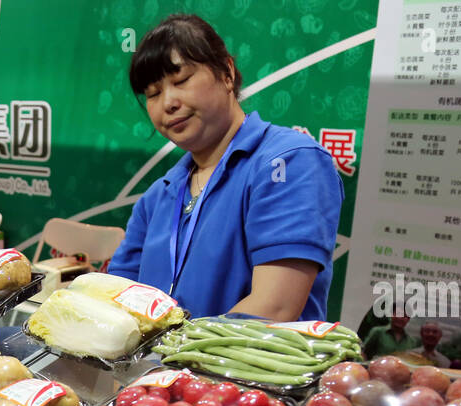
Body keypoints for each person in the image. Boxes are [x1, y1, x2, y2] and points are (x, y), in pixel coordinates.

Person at [107, 15, 342, 322]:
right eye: (153, 94)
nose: (168, 102)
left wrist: (177, 353)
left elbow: (275, 309)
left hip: (249, 369)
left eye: (181, 81)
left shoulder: (288, 163)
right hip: (159, 370)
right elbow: (118, 298)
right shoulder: (157, 198)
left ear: (227, 73)